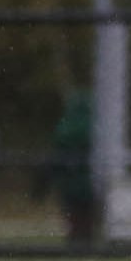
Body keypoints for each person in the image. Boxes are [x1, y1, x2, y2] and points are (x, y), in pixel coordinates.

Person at [44, 91, 98, 246]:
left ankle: (75, 241)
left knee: (73, 214)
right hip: (86, 180)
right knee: (86, 214)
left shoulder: (65, 126)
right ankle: (86, 241)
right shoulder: (93, 125)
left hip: (70, 180)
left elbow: (57, 149)